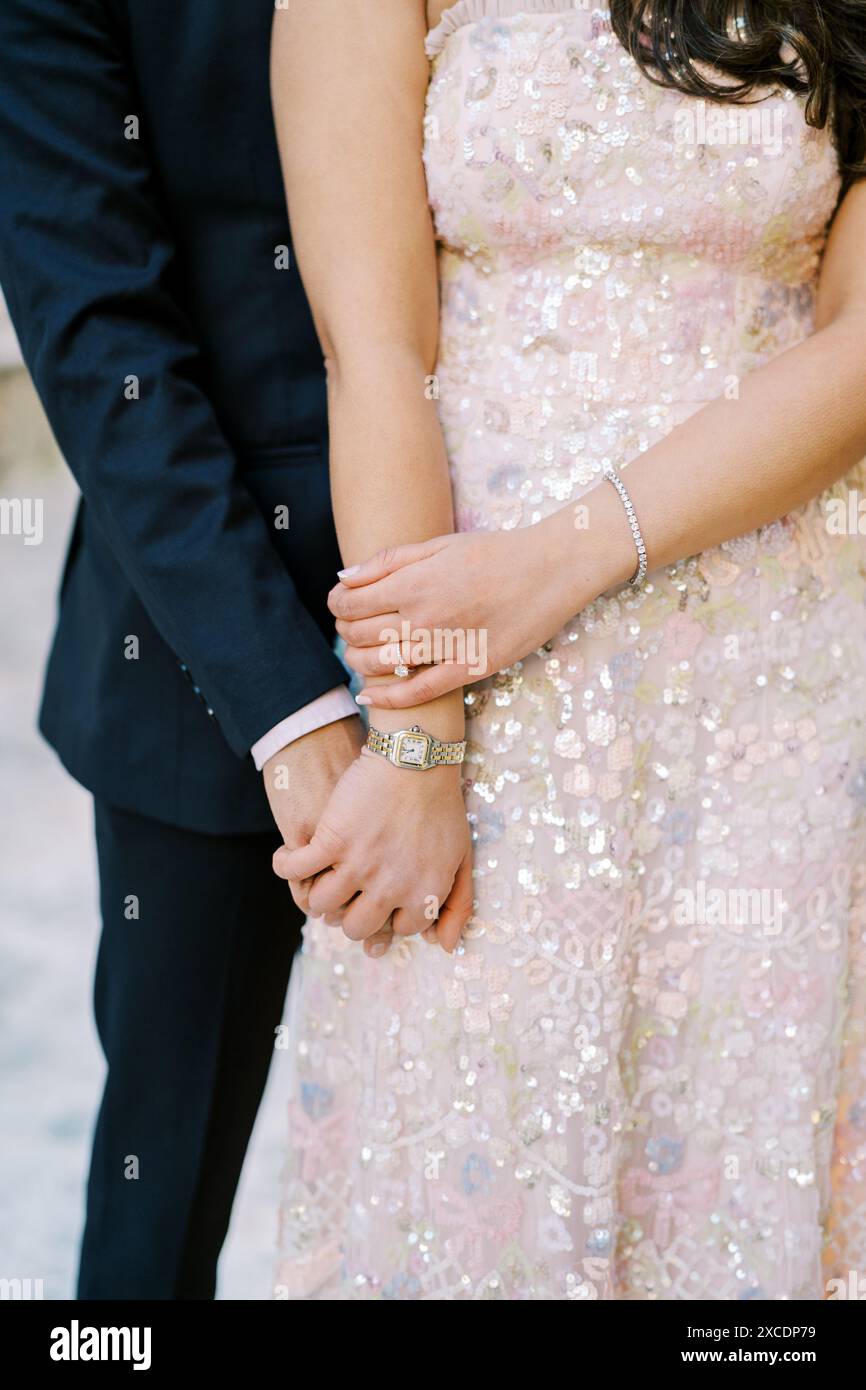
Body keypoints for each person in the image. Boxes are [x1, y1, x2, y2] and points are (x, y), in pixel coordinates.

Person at [270, 0, 866, 1299]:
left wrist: (560, 561)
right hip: (492, 690)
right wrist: (418, 737)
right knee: (485, 1147)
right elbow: (374, 354)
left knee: (735, 1140)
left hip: (780, 687)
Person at [0, 0, 471, 1301]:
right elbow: (99, 338)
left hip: (537, 607)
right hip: (200, 655)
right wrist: (289, 707)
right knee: (158, 1202)